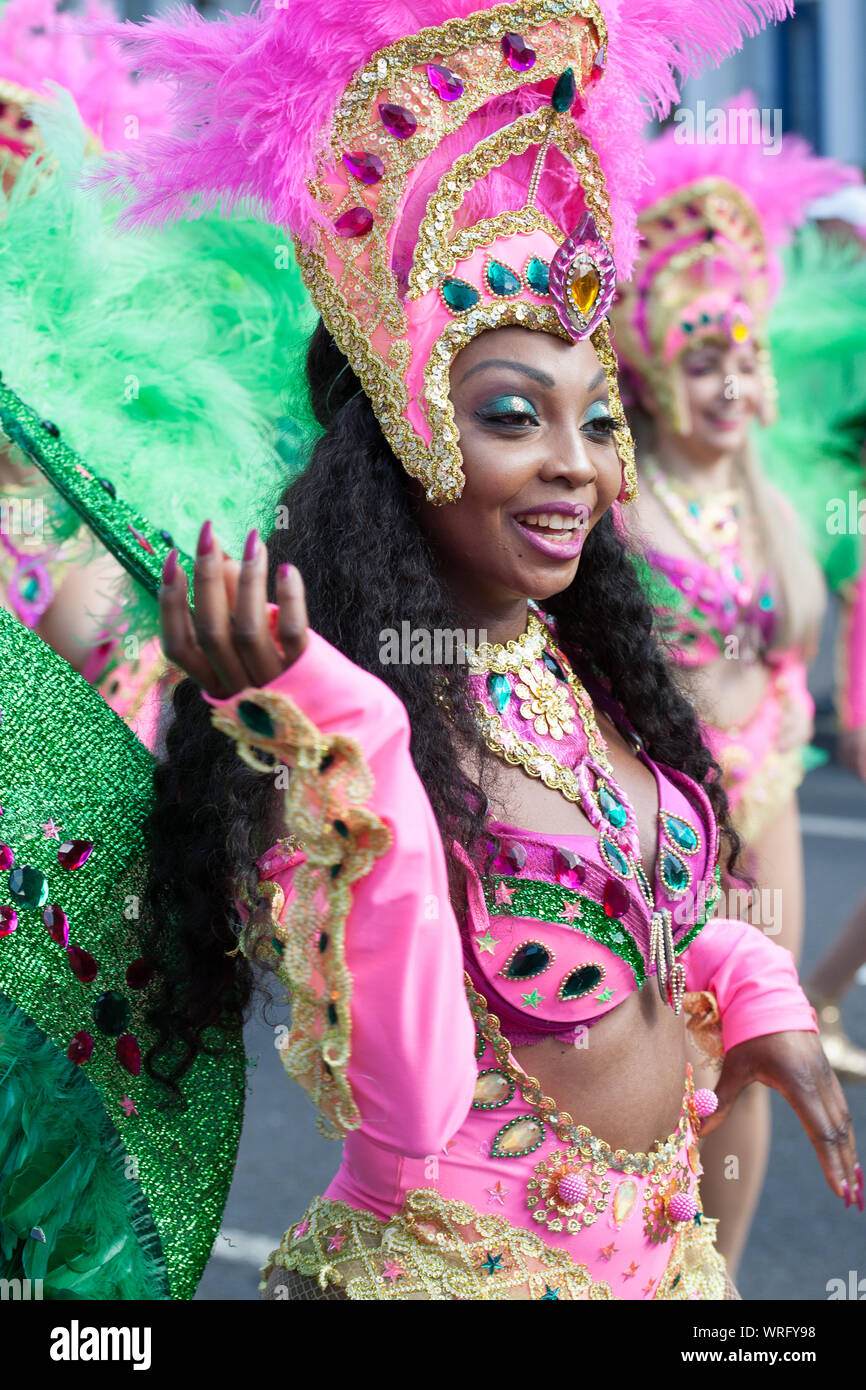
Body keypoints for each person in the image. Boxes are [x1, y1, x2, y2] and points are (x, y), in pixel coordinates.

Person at [110, 0, 860, 1301]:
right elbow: (410, 1094)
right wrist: (338, 719)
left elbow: (655, 918)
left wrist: (763, 1000)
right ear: (409, 436)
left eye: (594, 416)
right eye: (515, 415)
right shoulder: (335, 737)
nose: (575, 461)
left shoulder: (566, 668)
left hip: (665, 1265)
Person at [608, 104, 862, 1278]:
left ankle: (724, 1279)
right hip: (654, 810)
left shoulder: (774, 501)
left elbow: (793, 638)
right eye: (699, 355)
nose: (726, 379)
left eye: (742, 355)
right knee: (651, 1066)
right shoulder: (615, 497)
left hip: (762, 806)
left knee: (758, 1051)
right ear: (654, 369)